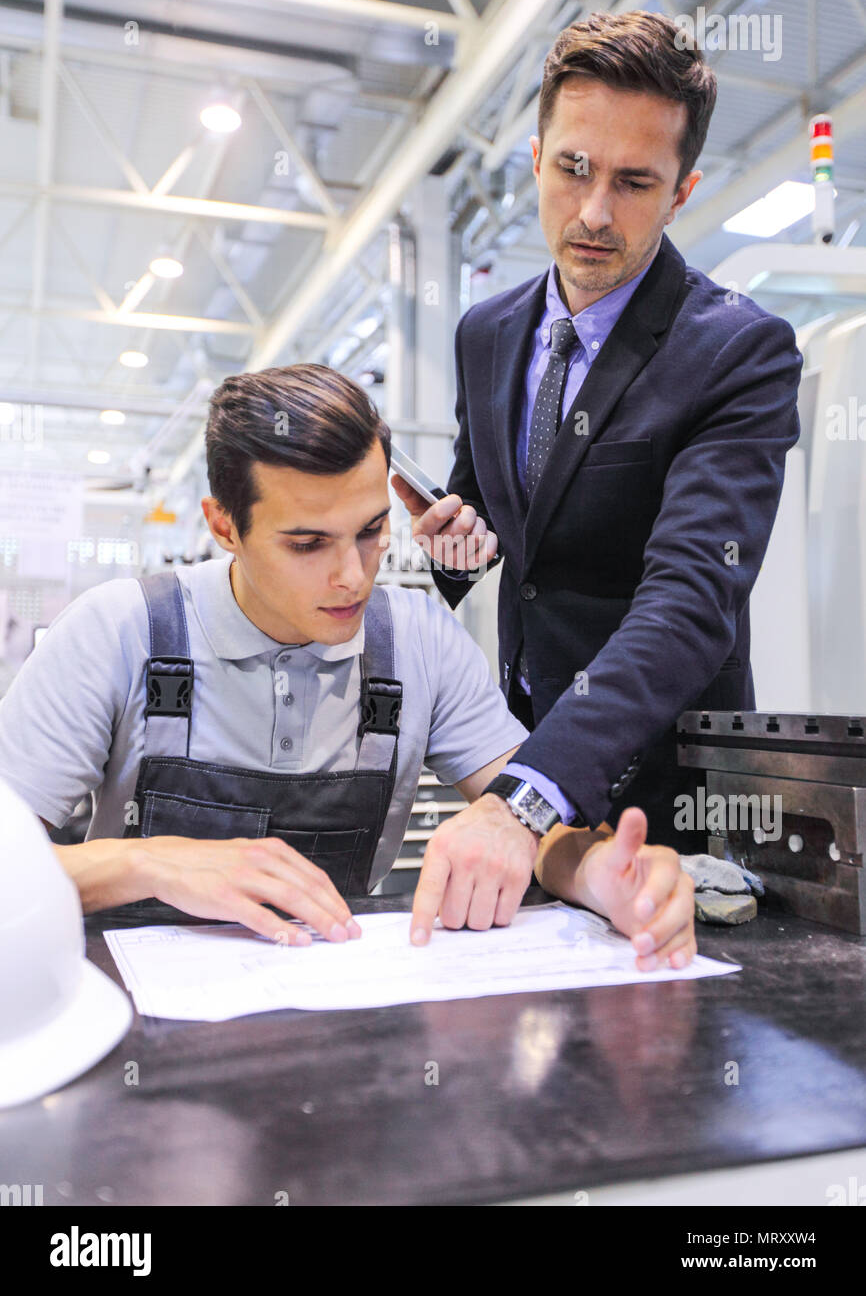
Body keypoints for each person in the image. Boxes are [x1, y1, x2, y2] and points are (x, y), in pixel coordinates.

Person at [0, 364, 694, 966]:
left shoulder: (419, 642)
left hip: (336, 1030)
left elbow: (530, 825)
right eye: (306, 544)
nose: (351, 577)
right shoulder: (120, 633)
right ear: (223, 526)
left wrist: (603, 873)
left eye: (369, 532)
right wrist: (144, 863)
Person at [393, 10, 802, 854]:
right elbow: (499, 520)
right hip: (515, 751)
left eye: (634, 182)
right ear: (536, 158)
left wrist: (531, 795)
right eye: (573, 168)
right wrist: (458, 542)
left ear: (682, 191)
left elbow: (692, 602)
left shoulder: (736, 352)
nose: (593, 212)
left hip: (672, 799)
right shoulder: (487, 334)